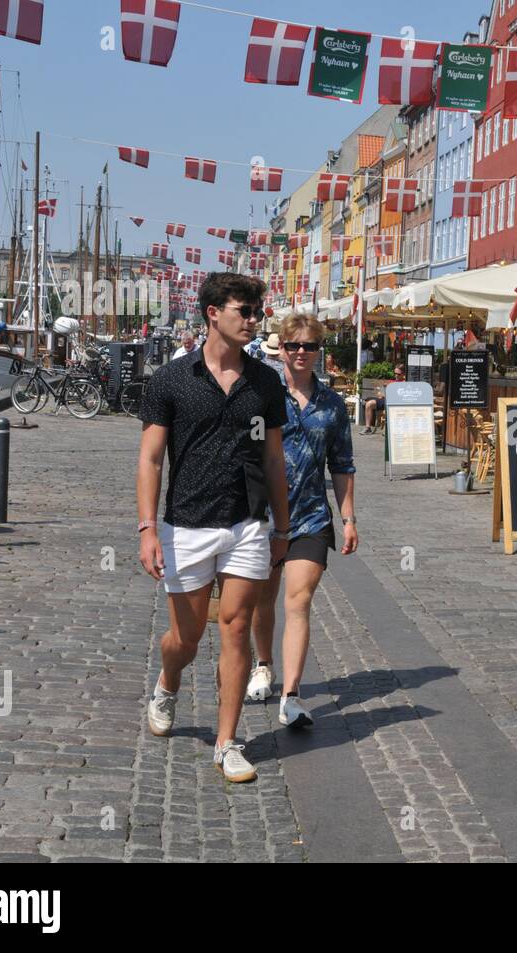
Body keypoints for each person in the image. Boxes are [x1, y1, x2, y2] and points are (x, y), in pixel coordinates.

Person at [136, 273, 291, 784]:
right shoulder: (172, 381)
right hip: (187, 525)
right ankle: (168, 680)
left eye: (256, 312)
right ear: (213, 314)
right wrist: (147, 529)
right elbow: (152, 459)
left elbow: (273, 460)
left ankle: (227, 742)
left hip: (247, 523)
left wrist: (281, 527)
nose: (253, 320)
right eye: (244, 311)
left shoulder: (265, 382)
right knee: (186, 635)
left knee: (237, 628)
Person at [247, 312, 359, 726]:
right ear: (282, 347)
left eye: (309, 346)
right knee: (263, 597)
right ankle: (263, 663)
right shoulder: (263, 396)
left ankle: (291, 695)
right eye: (293, 345)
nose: (300, 352)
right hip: (261, 517)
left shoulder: (331, 405)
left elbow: (343, 465)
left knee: (299, 600)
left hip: (311, 515)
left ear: (318, 350)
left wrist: (348, 518)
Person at [361, 363, 404, 435]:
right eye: (395, 373)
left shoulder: (404, 383)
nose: (396, 375)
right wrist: (381, 393)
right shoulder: (393, 382)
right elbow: (382, 393)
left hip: (394, 402)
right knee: (369, 404)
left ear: (403, 374)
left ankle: (389, 429)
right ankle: (368, 428)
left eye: (398, 374)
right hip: (385, 399)